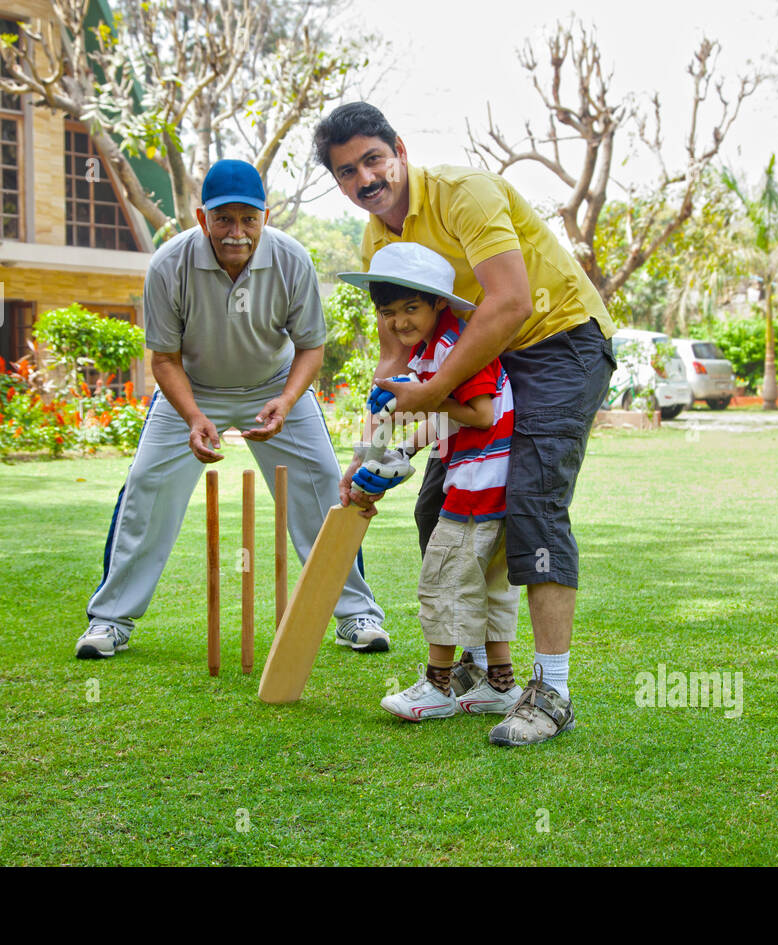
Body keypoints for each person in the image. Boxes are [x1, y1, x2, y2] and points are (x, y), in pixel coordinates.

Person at [313, 103, 616, 745]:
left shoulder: (463, 194)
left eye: (373, 158)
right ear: (338, 183)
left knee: (532, 504)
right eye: (347, 171)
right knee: (437, 508)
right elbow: (395, 356)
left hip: (560, 343)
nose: (365, 178)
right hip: (482, 361)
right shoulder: (378, 238)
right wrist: (373, 454)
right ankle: (481, 677)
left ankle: (552, 691)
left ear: (398, 147)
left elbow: (510, 301)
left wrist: (435, 390)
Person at [74, 158, 389, 660]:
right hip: (193, 390)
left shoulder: (291, 259)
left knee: (326, 484)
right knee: (146, 487)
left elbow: (310, 347)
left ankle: (356, 615)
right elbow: (163, 359)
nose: (237, 232)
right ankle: (109, 620)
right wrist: (194, 415)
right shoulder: (168, 264)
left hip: (275, 385)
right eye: (224, 219)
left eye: (249, 218)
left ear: (265, 216)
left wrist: (287, 401)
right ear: (202, 219)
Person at [337, 243, 526, 730]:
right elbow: (440, 413)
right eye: (388, 311)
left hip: (477, 485)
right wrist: (399, 450)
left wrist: (421, 406)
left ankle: (438, 687)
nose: (399, 321)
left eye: (410, 308)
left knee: (441, 579)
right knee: (488, 584)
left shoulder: (453, 348)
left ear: (438, 302)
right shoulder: (433, 348)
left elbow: (479, 414)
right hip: (493, 483)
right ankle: (498, 686)